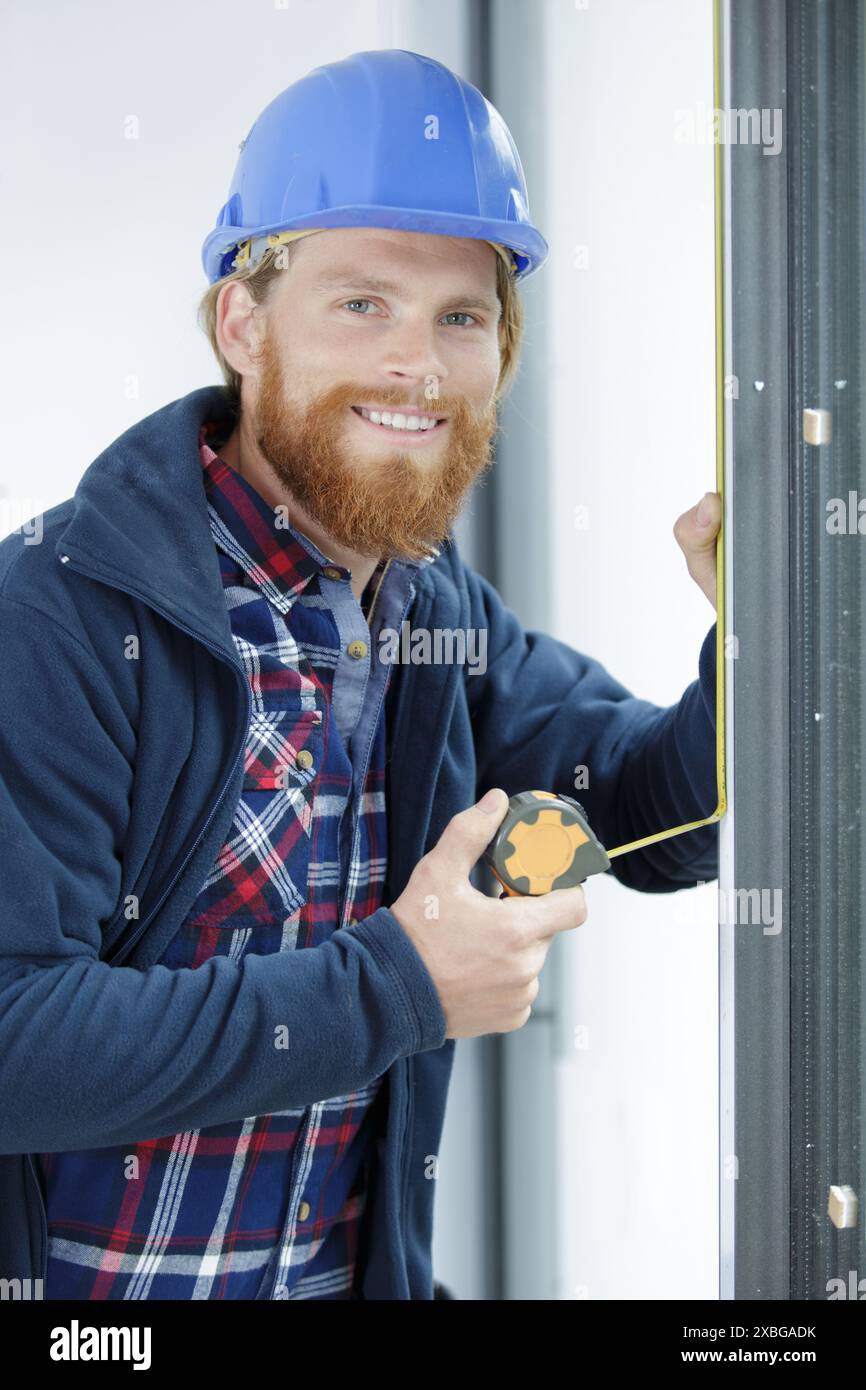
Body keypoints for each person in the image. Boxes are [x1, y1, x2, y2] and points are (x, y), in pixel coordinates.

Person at [0, 49, 721, 1301]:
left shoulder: (430, 616)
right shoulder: (59, 613)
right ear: (242, 321)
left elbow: (654, 813)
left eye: (461, 316)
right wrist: (398, 982)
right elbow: (16, 1041)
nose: (418, 368)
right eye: (360, 305)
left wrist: (764, 643)